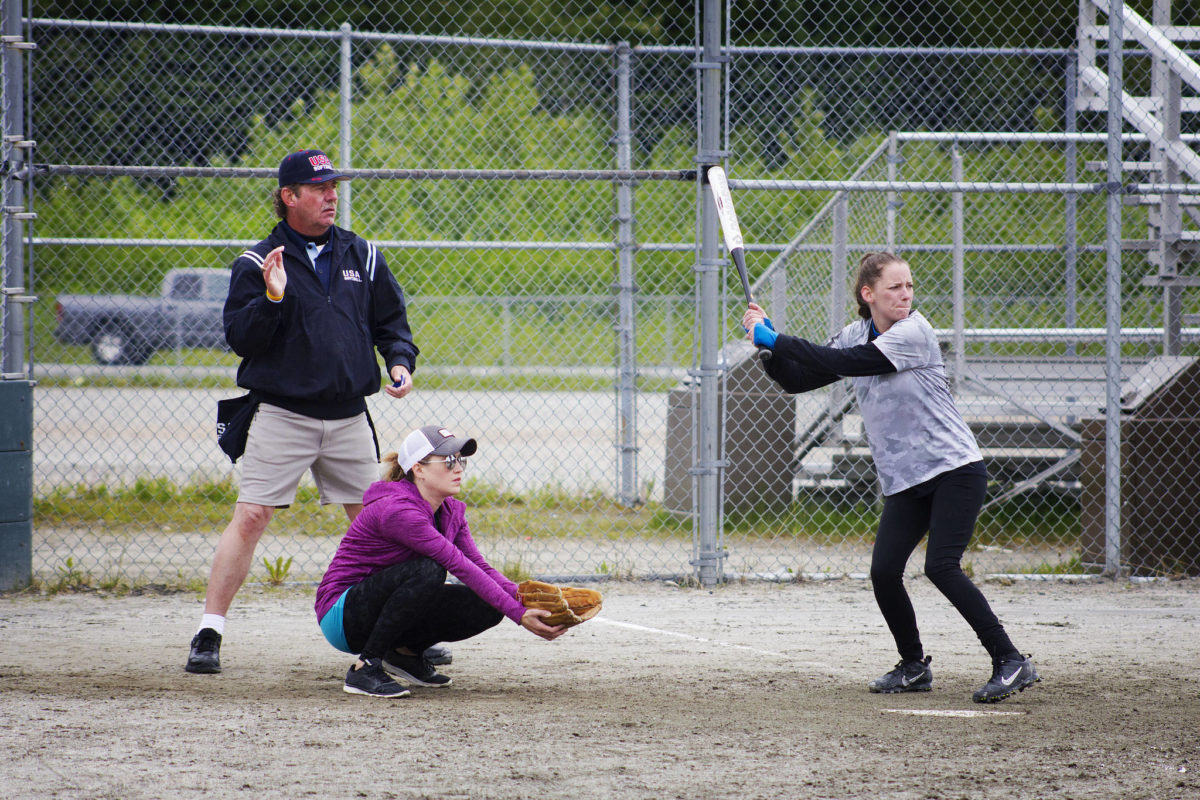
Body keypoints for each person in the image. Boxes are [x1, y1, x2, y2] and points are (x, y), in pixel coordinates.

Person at [742, 252, 1040, 704]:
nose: (905, 295)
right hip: (906, 479)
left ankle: (1010, 659)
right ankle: (914, 666)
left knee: (940, 566)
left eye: (909, 286)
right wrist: (765, 347)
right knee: (884, 572)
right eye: (894, 287)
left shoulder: (913, 333)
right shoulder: (854, 333)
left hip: (954, 469)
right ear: (869, 294)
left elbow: (859, 362)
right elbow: (798, 379)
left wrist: (778, 337)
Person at [186, 149, 419, 674]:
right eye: (319, 188)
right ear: (289, 197)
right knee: (251, 515)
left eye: (334, 186)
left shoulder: (362, 253)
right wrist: (272, 298)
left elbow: (392, 323)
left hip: (347, 414)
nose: (332, 195)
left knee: (379, 522)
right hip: (282, 412)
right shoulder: (258, 262)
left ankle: (399, 637)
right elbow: (240, 338)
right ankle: (209, 632)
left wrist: (400, 363)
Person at [315, 425, 567, 697]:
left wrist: (525, 599)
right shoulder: (398, 511)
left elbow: (479, 566)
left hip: (380, 606)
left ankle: (404, 655)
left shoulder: (449, 510)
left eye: (461, 460)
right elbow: (458, 565)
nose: (458, 468)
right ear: (418, 469)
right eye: (448, 461)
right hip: (342, 615)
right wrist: (519, 615)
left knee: (488, 604)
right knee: (429, 570)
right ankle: (365, 667)